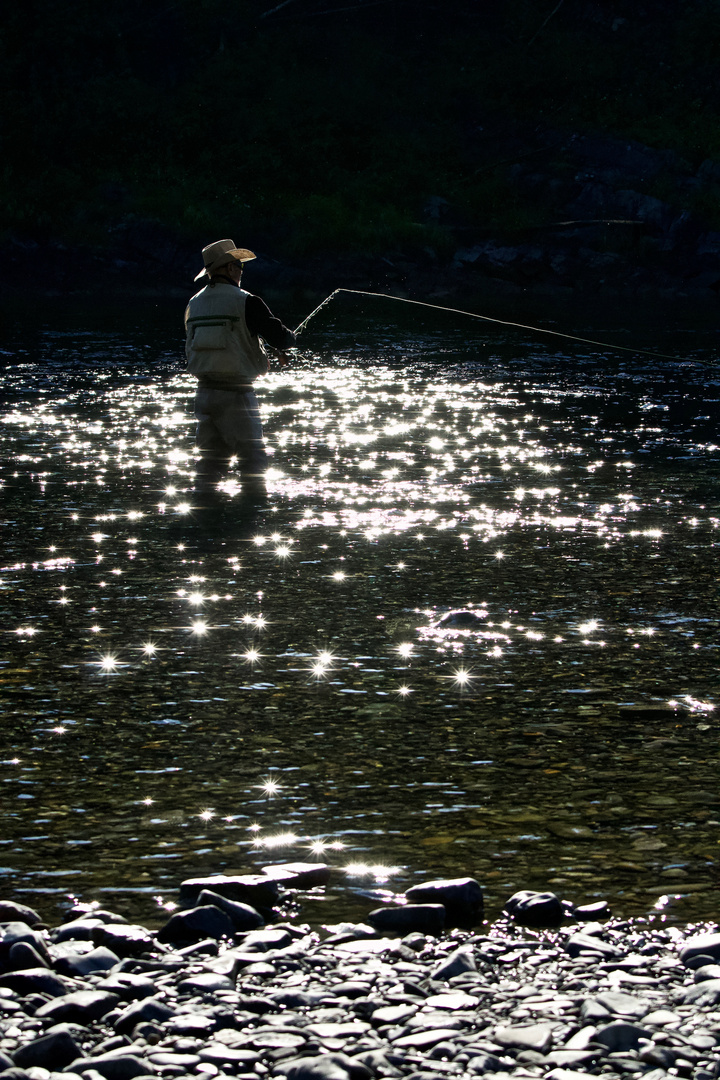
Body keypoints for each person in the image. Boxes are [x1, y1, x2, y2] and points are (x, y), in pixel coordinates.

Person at [184, 238, 296, 505]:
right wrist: (288, 341)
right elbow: (281, 338)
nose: (241, 272)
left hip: (204, 395)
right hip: (237, 395)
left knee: (210, 463)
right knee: (252, 460)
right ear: (231, 268)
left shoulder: (193, 304)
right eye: (239, 267)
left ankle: (203, 521)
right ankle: (255, 518)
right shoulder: (247, 301)